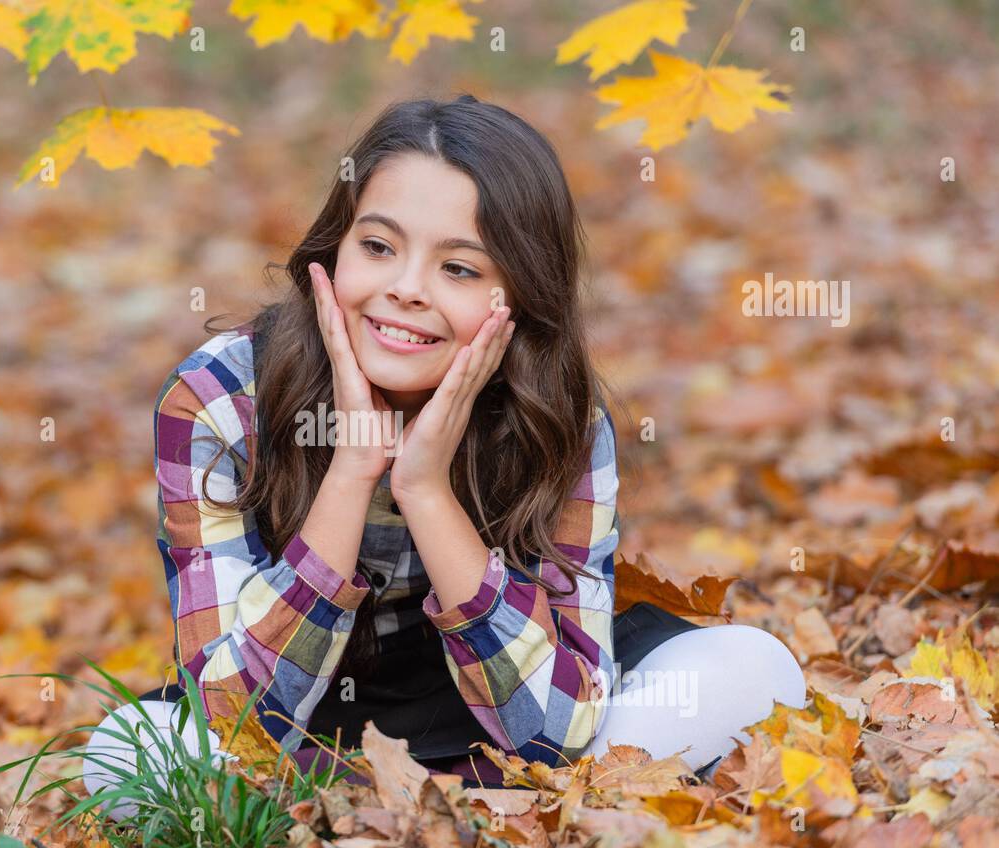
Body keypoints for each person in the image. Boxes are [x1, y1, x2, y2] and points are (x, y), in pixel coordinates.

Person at [83, 94, 806, 809]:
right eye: (377, 247)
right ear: (331, 252)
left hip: (496, 697)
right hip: (306, 711)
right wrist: (353, 467)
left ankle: (419, 811)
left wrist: (426, 488)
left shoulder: (558, 414)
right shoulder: (221, 395)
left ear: (518, 298)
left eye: (459, 269)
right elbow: (233, 718)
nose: (405, 290)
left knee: (754, 670)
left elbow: (556, 730)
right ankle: (458, 807)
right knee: (127, 758)